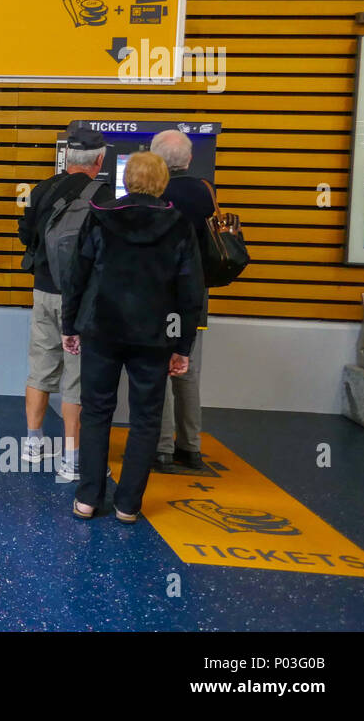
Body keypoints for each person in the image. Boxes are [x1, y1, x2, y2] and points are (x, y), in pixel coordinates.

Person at [61, 152, 204, 522]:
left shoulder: (100, 216)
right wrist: (183, 344)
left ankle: (88, 498)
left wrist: (69, 325)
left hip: (101, 328)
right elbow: (191, 291)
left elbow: (78, 275)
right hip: (155, 335)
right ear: (162, 182)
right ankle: (128, 504)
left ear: (127, 180)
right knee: (145, 418)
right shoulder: (178, 224)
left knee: (95, 412)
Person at [16, 124, 111, 482]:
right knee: (77, 376)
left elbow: (24, 234)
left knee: (40, 364)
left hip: (43, 289)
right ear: (99, 159)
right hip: (83, 299)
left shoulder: (37, 189)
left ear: (66, 156)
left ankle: (32, 443)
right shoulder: (105, 197)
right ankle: (71, 459)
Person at [150, 129, 215, 471]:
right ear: (189, 159)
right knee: (188, 368)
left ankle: (161, 448)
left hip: (161, 294)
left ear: (155, 159)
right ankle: (190, 447)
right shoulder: (205, 191)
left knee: (159, 368)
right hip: (196, 294)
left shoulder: (155, 192)